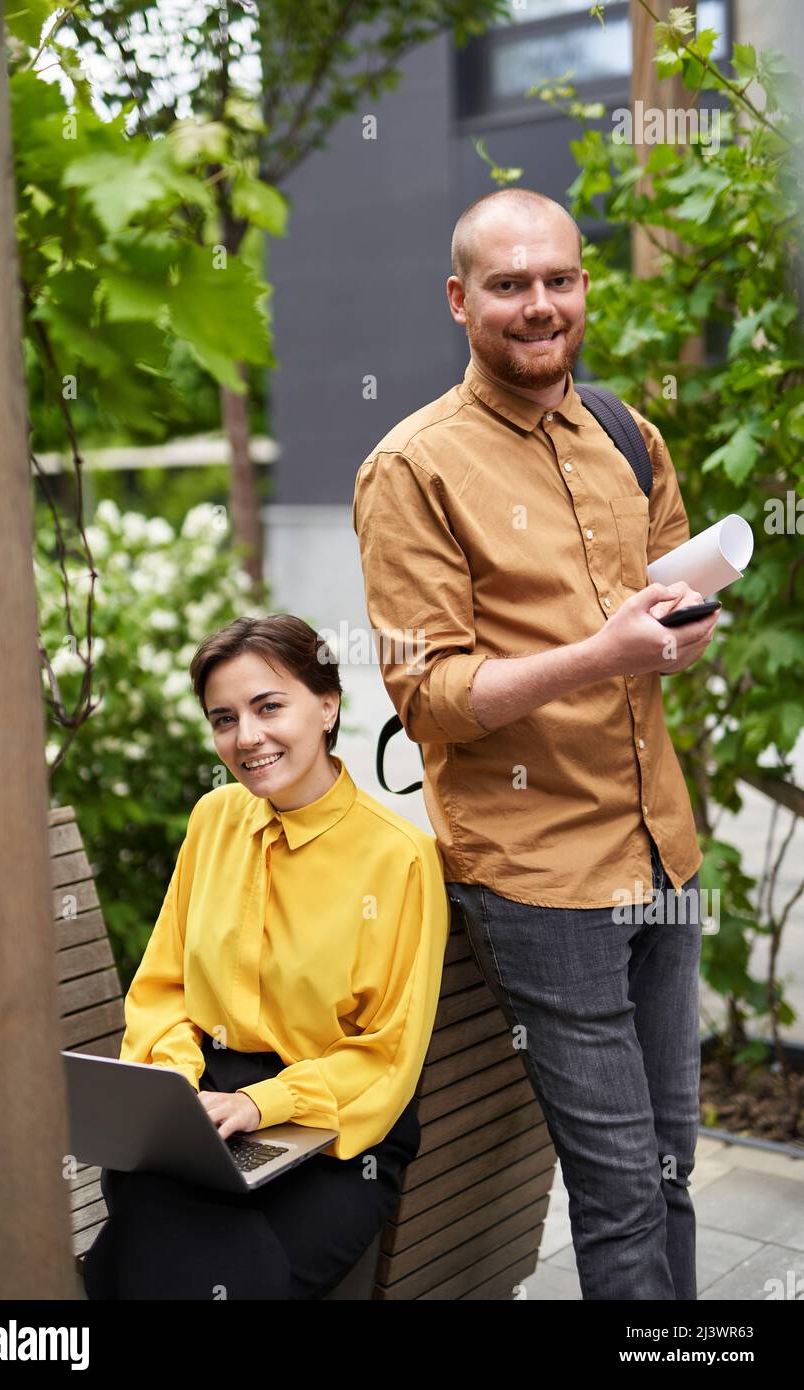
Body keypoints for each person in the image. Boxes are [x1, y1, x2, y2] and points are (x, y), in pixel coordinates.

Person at [352, 187, 721, 1301]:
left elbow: (662, 604)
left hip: (662, 850)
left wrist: (679, 633)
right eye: (508, 285)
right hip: (542, 879)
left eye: (557, 279)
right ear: (459, 300)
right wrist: (602, 655)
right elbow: (429, 694)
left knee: (671, 1168)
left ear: (583, 287)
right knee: (619, 1194)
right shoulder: (411, 468)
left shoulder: (625, 432)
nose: (538, 304)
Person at [82, 613, 450, 1300]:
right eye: (224, 719)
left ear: (328, 705)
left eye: (268, 706)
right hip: (201, 1105)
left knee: (189, 1266)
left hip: (336, 1132)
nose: (246, 737)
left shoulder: (400, 858)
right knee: (198, 1253)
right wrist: (177, 1090)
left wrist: (262, 1104)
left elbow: (387, 1053)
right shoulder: (213, 819)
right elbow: (163, 986)